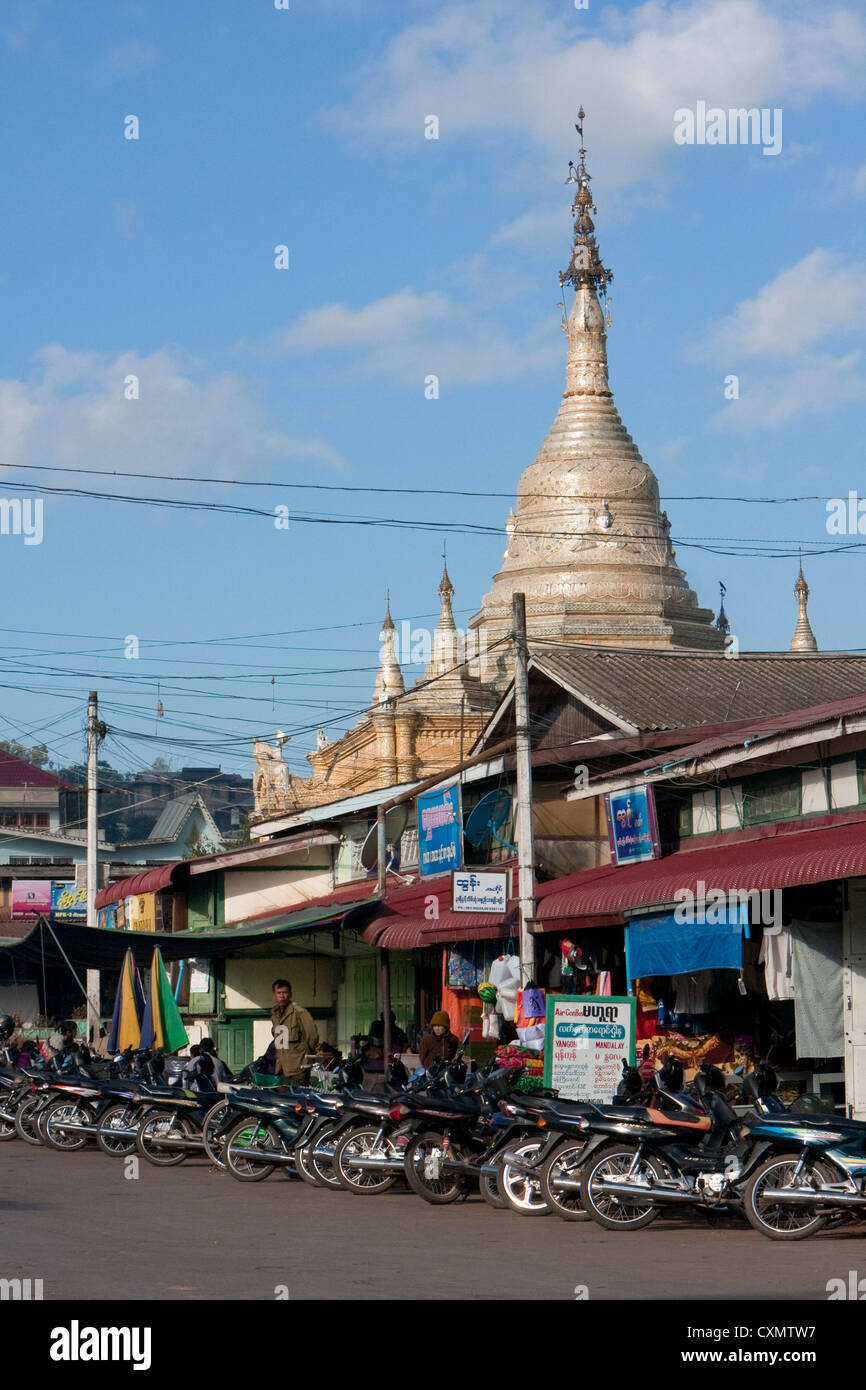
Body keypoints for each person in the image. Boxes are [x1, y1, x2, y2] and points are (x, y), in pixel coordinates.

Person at [270, 979, 319, 1083]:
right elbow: (279, 1041)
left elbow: (312, 1037)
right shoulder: (275, 1014)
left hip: (298, 1068)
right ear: (274, 995)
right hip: (281, 1067)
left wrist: (305, 1056)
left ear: (290, 994)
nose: (282, 996)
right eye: (279, 993)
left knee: (298, 1097)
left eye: (285, 993)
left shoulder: (299, 1012)